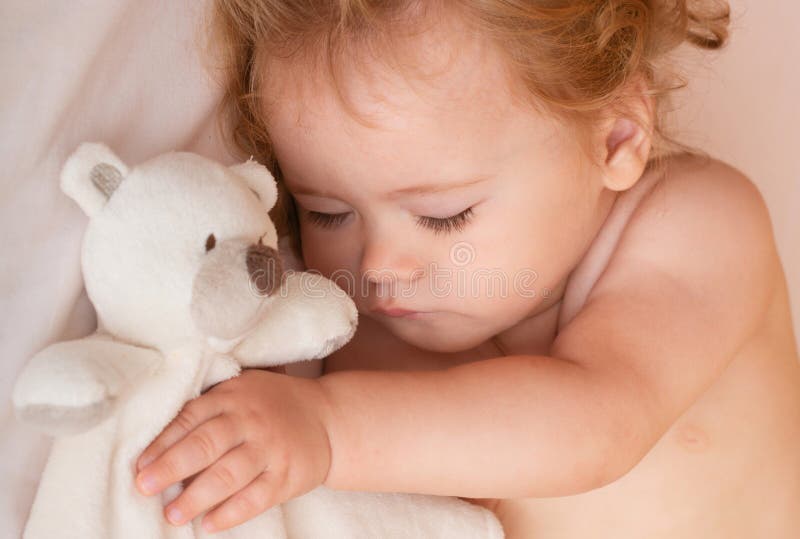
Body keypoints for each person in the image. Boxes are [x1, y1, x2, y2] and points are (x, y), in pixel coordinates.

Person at [132, 1, 800, 536]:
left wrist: (326, 427)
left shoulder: (695, 224)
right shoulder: (355, 328)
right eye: (328, 212)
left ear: (617, 135)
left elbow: (598, 422)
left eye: (445, 216)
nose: (380, 265)